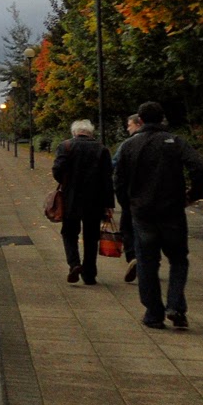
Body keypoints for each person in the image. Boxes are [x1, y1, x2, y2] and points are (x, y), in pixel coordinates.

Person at [114, 101, 203, 329]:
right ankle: (175, 305)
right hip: (172, 210)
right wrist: (192, 194)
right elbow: (199, 167)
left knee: (147, 262)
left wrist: (128, 204)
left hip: (143, 212)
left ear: (141, 120)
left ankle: (153, 312)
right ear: (162, 118)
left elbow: (119, 179)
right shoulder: (174, 142)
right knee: (178, 259)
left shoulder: (128, 146)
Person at [52, 119, 114, 285]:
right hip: (95, 199)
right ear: (90, 133)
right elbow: (107, 179)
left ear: (74, 132)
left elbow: (57, 170)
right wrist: (109, 205)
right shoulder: (102, 149)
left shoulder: (66, 146)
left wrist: (66, 182)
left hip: (71, 197)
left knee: (69, 232)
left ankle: (74, 263)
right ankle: (89, 274)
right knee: (91, 236)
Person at [112, 113, 144, 282]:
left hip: (132, 196)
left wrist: (120, 195)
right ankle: (150, 261)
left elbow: (115, 167)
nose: (127, 128)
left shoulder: (128, 145)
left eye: (129, 125)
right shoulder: (169, 141)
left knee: (127, 227)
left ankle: (132, 256)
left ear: (139, 124)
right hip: (158, 198)